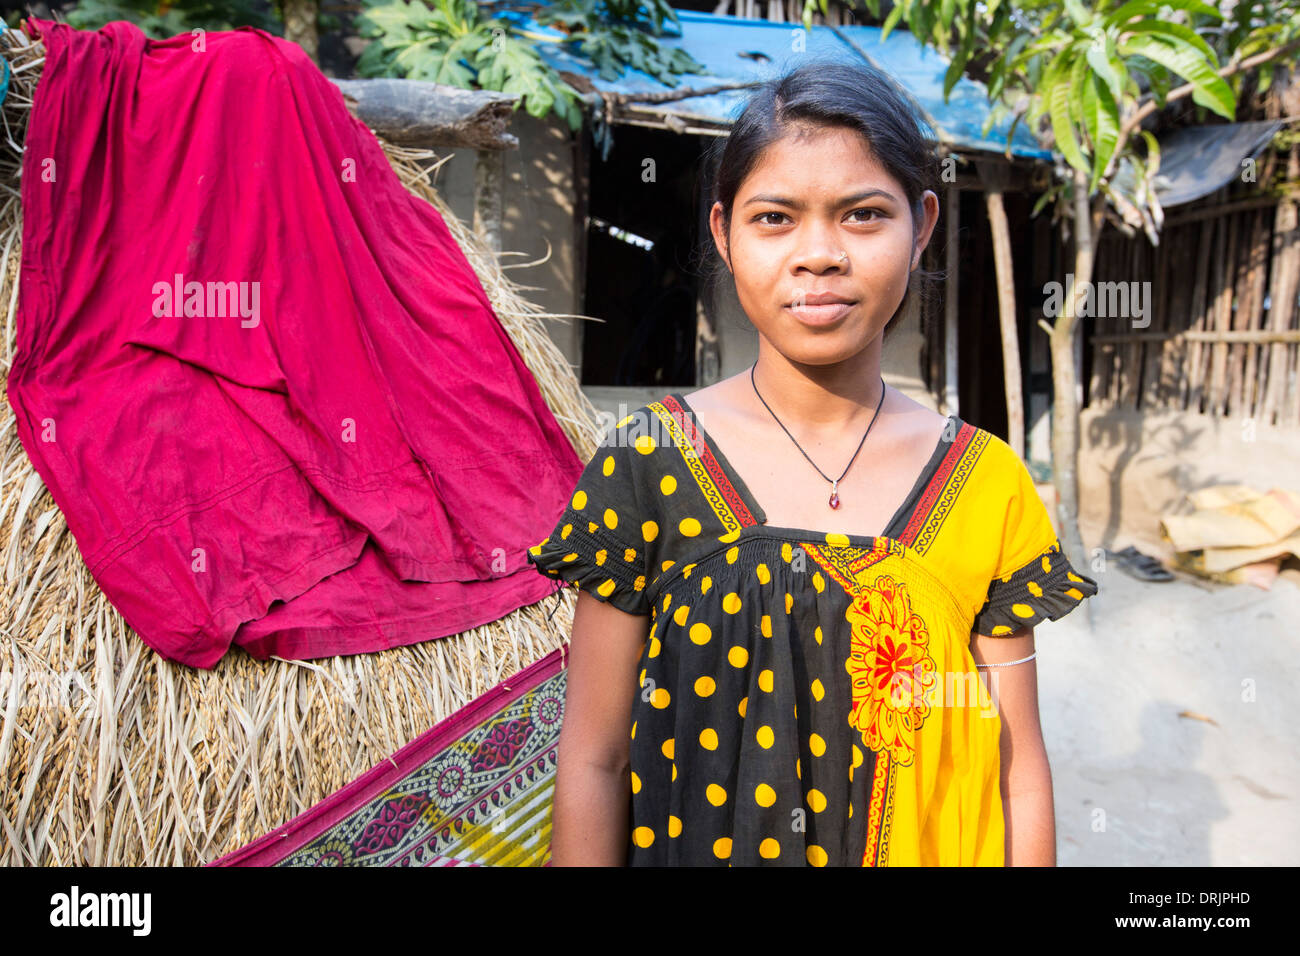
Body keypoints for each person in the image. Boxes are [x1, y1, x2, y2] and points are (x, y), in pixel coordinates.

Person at [528, 59, 1099, 866]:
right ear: (724, 234)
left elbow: (1018, 768)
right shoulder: (649, 464)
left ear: (923, 224)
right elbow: (595, 759)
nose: (819, 255)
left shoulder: (987, 481)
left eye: (863, 214)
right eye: (776, 219)